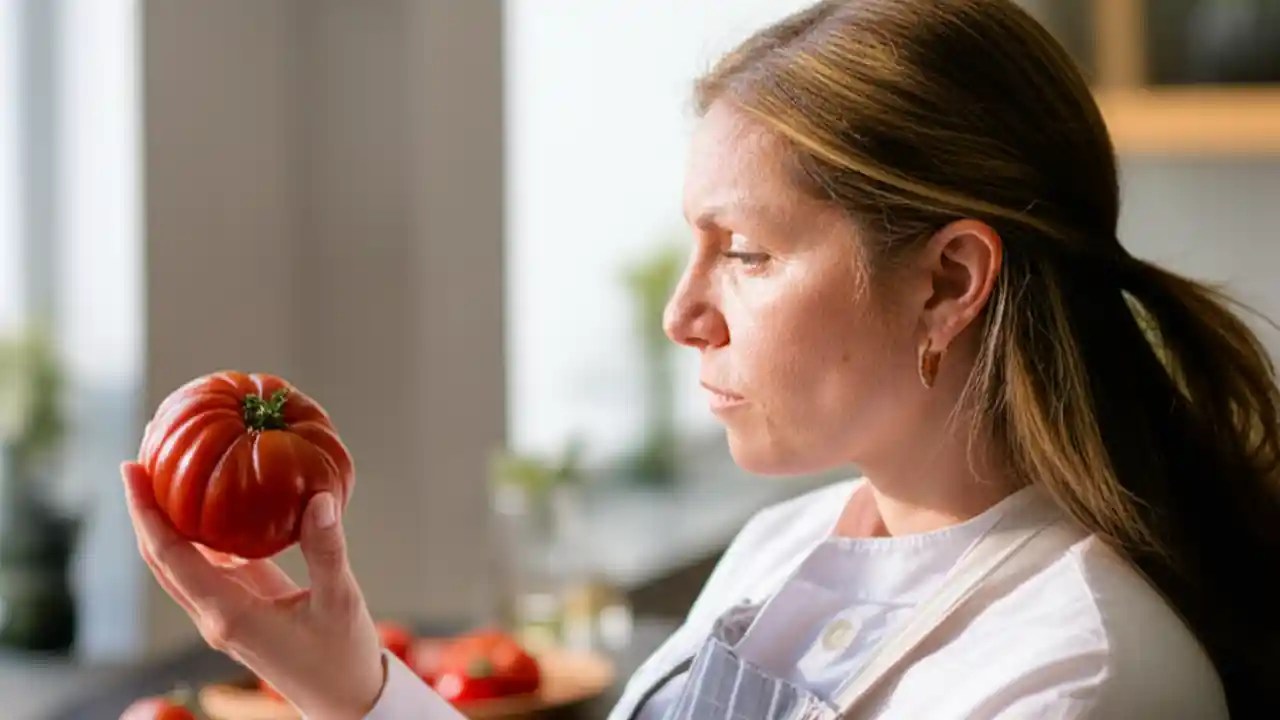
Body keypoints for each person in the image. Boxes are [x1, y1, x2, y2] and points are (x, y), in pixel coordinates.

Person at [122, 0, 1280, 717]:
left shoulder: (1074, 681)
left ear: (947, 283)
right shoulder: (782, 547)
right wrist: (347, 686)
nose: (683, 314)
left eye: (746, 255)